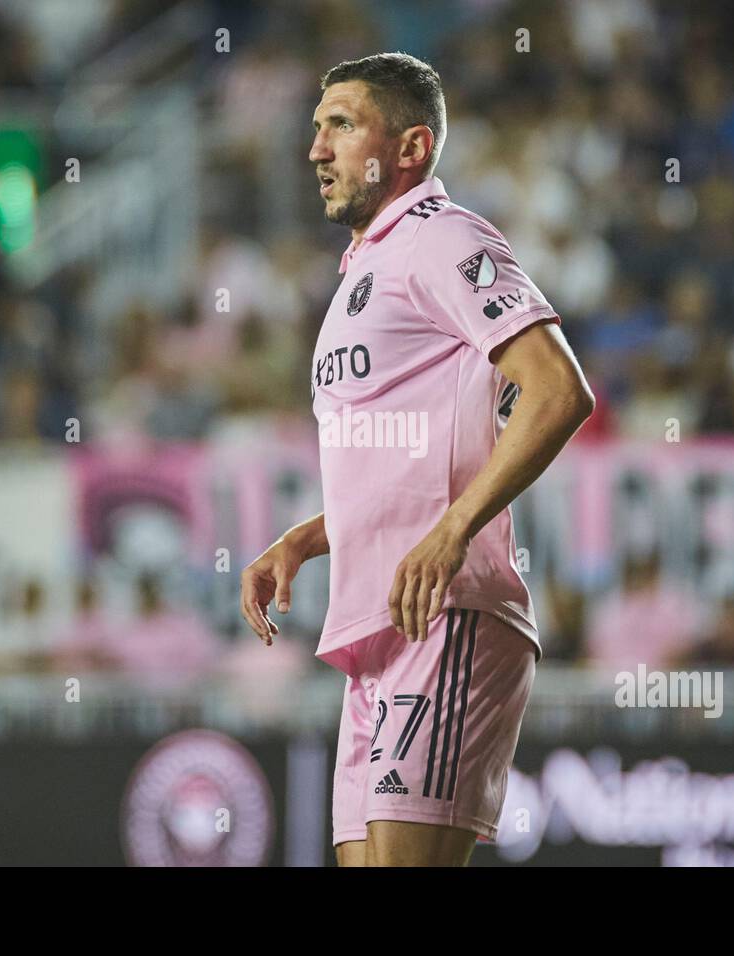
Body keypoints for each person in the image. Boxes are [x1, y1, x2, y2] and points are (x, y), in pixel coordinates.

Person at [238, 53, 594, 867]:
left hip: (445, 613)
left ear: (410, 147)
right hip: (378, 628)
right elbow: (410, 458)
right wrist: (306, 538)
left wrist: (454, 530)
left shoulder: (442, 236)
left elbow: (558, 390)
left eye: (341, 125)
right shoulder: (364, 268)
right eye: (316, 128)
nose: (316, 149)